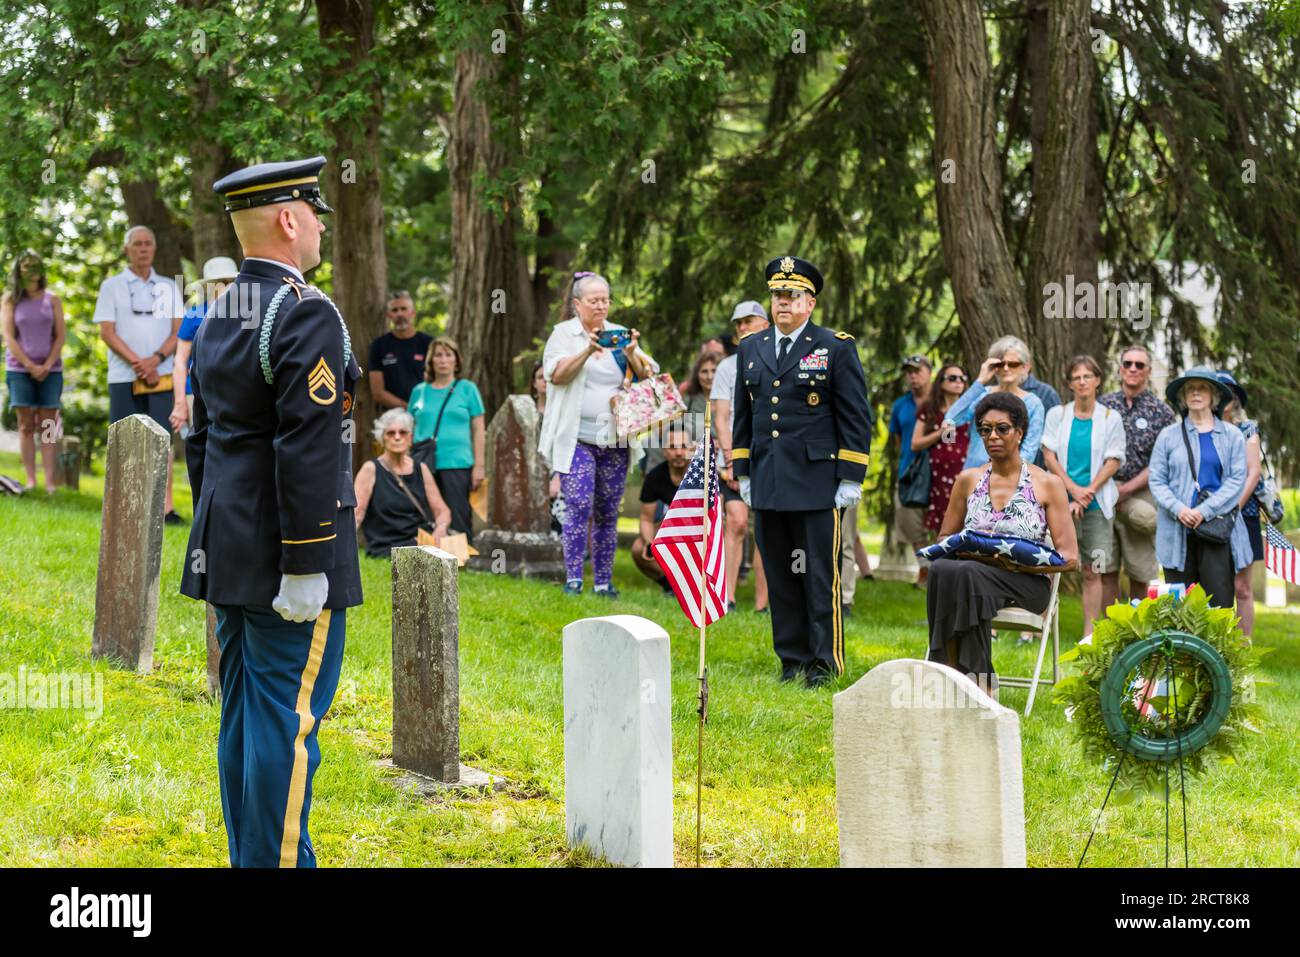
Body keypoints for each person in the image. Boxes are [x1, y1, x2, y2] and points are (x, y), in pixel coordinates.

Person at [181, 157, 362, 868]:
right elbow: (309, 444)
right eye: (314, 210)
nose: (320, 223)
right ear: (289, 219)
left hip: (229, 549)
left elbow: (202, 439)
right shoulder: (304, 310)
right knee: (286, 730)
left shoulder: (222, 310)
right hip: (289, 559)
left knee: (245, 722)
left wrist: (216, 534)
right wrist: (307, 561)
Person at [732, 256, 873, 687]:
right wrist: (744, 472)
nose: (783, 304)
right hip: (770, 480)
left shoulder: (835, 347)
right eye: (777, 295)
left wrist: (851, 476)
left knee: (817, 574)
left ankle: (825, 664)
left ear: (810, 302)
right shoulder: (750, 348)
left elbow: (855, 417)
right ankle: (790, 660)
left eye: (793, 296)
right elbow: (744, 416)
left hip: (817, 483)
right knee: (780, 574)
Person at [926, 392, 1078, 694]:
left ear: (1019, 433)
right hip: (976, 578)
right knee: (944, 569)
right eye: (985, 429)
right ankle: (973, 681)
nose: (992, 436)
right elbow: (944, 538)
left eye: (1002, 428)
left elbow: (1070, 558)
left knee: (964, 574)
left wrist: (1014, 560)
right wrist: (974, 550)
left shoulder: (1046, 484)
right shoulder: (968, 479)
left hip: (1027, 583)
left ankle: (956, 676)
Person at [539, 271, 658, 596]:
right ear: (577, 304)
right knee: (577, 504)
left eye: (605, 300)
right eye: (594, 301)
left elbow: (650, 376)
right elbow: (557, 376)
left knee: (607, 509)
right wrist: (587, 351)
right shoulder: (564, 335)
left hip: (615, 439)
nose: (601, 307)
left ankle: (604, 582)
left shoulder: (620, 335)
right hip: (576, 438)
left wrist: (632, 352)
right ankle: (574, 579)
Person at [94, 224, 185, 523]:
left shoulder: (169, 287)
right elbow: (106, 332)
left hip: (161, 378)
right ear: (127, 249)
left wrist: (156, 359)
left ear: (154, 249)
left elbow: (178, 331)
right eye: (137, 244)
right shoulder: (112, 286)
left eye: (148, 243)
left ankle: (165, 508)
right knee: (123, 441)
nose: (143, 249)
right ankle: (121, 508)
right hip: (124, 378)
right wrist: (138, 363)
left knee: (162, 441)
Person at [1148, 366, 1251, 610]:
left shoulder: (1232, 436)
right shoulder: (1168, 436)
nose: (1195, 393)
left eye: (1202, 388)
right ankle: (1182, 649)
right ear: (1183, 397)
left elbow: (1237, 480)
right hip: (1176, 529)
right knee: (1178, 606)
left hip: (1216, 528)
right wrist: (1179, 509)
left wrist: (1204, 511)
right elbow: (1157, 479)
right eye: (1190, 389)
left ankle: (1219, 650)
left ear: (1213, 395)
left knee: (1219, 604)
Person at [1041, 355, 1126, 638]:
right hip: (1061, 502)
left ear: (1098, 380)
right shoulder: (1058, 415)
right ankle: (1039, 626)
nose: (1082, 382)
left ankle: (1090, 633)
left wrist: (1086, 493)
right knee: (1049, 564)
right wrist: (1072, 490)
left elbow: (1114, 460)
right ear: (1069, 383)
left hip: (1096, 505)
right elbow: (1049, 454)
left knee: (1094, 569)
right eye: (1076, 377)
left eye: (1087, 376)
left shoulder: (1110, 418)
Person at [1098, 345, 1177, 600]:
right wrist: (1109, 489)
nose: (1133, 369)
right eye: (1128, 363)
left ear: (1149, 371)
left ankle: (1138, 634)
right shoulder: (1104, 405)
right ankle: (1108, 633)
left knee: (1139, 572)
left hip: (1141, 494)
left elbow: (1161, 461)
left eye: (1139, 365)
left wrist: (1126, 490)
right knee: (1106, 570)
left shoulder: (1162, 412)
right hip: (1104, 492)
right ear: (1120, 369)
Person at [712, 300, 769, 612]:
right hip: (734, 456)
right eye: (739, 323)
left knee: (766, 529)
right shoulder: (726, 366)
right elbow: (721, 417)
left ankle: (763, 604)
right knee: (735, 522)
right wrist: (733, 460)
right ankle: (727, 597)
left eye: (750, 321)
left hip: (769, 459)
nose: (743, 327)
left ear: (765, 324)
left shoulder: (778, 357)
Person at [408, 337, 484, 542]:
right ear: (431, 361)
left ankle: (461, 557)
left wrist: (479, 466)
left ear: (456, 361)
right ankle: (428, 556)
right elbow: (409, 428)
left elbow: (478, 429)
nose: (443, 360)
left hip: (457, 462)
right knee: (425, 513)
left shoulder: (468, 389)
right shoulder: (419, 391)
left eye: (448, 355)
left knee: (457, 514)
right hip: (423, 464)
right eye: (438, 355)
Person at [2, 250, 65, 492]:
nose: (31, 270)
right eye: (26, 266)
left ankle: (50, 482)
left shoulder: (53, 299)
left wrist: (47, 365)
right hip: (19, 370)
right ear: (19, 270)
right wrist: (29, 366)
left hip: (51, 371)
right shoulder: (10, 300)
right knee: (26, 425)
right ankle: (31, 479)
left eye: (35, 265)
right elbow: (8, 336)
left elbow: (60, 336)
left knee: (48, 425)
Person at [353, 408, 452, 558]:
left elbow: (442, 511)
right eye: (391, 433)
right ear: (382, 438)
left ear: (410, 437)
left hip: (422, 544)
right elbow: (356, 514)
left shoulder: (421, 469)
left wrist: (441, 527)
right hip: (386, 548)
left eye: (403, 432)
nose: (397, 437)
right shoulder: (370, 469)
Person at [942, 335, 1045, 469]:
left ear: (1025, 367)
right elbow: (950, 419)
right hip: (974, 472)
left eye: (1013, 364)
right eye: (1001, 364)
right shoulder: (982, 393)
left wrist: (1007, 475)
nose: (1006, 368)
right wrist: (980, 381)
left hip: (1009, 477)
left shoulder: (1033, 403)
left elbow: (1030, 450)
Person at [1216, 370, 1264, 637]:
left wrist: (1232, 510)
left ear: (1235, 399)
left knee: (1242, 587)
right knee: (1216, 583)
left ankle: (1244, 649)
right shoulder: (1203, 429)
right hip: (1211, 517)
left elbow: (1253, 472)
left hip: (1243, 516)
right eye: (1220, 391)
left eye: (1230, 393)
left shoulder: (1249, 429)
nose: (1225, 398)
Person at [170, 256, 238, 436]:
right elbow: (180, 360)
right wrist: (180, 403)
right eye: (222, 282)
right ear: (210, 286)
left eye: (233, 281)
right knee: (201, 448)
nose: (229, 286)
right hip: (197, 394)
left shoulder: (247, 315)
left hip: (236, 391)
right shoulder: (195, 315)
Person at [630, 425, 694, 591]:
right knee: (638, 548)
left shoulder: (702, 475)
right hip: (672, 529)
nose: (679, 452)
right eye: (672, 447)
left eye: (684, 446)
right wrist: (649, 544)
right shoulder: (654, 476)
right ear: (664, 451)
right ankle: (670, 586)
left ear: (692, 449)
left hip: (699, 530)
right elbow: (645, 519)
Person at [911, 362, 970, 537]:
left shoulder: (971, 409)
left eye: (962, 378)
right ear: (941, 383)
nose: (958, 382)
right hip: (939, 478)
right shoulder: (930, 409)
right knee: (945, 524)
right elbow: (915, 443)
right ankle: (943, 563)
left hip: (967, 472)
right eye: (952, 378)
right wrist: (940, 432)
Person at [888, 354, 932, 585]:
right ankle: (925, 568)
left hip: (936, 470)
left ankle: (938, 571)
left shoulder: (941, 401)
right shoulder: (900, 405)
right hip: (909, 472)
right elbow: (897, 439)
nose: (913, 376)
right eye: (909, 372)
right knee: (909, 521)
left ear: (929, 372)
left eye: (917, 370)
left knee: (938, 521)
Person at [368, 291, 432, 411]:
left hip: (425, 411)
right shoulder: (379, 345)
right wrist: (407, 407)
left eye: (403, 309)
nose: (399, 314)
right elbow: (378, 393)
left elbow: (438, 382)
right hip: (392, 416)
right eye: (395, 310)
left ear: (413, 313)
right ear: (389, 315)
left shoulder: (429, 343)